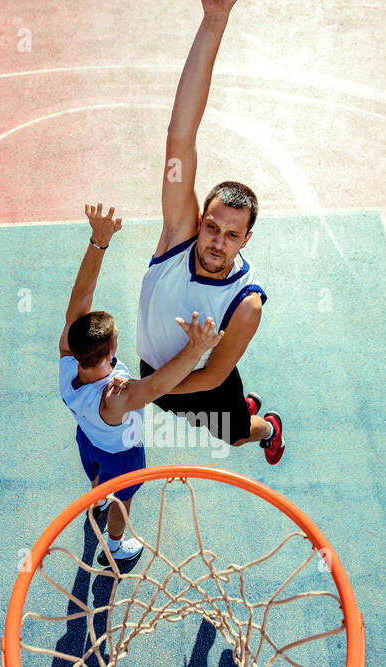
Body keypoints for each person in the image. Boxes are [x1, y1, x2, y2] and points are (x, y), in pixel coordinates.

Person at [137, 0, 284, 464]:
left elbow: (214, 375)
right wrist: (214, 19)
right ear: (199, 220)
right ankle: (247, 413)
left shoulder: (246, 304)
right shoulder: (180, 237)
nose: (217, 242)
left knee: (235, 435)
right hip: (153, 372)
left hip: (199, 381)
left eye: (232, 235)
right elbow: (180, 138)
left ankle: (266, 424)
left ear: (246, 240)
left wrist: (152, 390)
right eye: (212, 226)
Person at [59, 202, 223, 561]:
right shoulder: (115, 397)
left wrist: (98, 242)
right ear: (109, 354)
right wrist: (196, 350)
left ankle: (98, 499)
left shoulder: (67, 360)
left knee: (98, 478)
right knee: (125, 494)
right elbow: (159, 385)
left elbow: (80, 295)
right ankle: (115, 545)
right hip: (122, 452)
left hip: (87, 439)